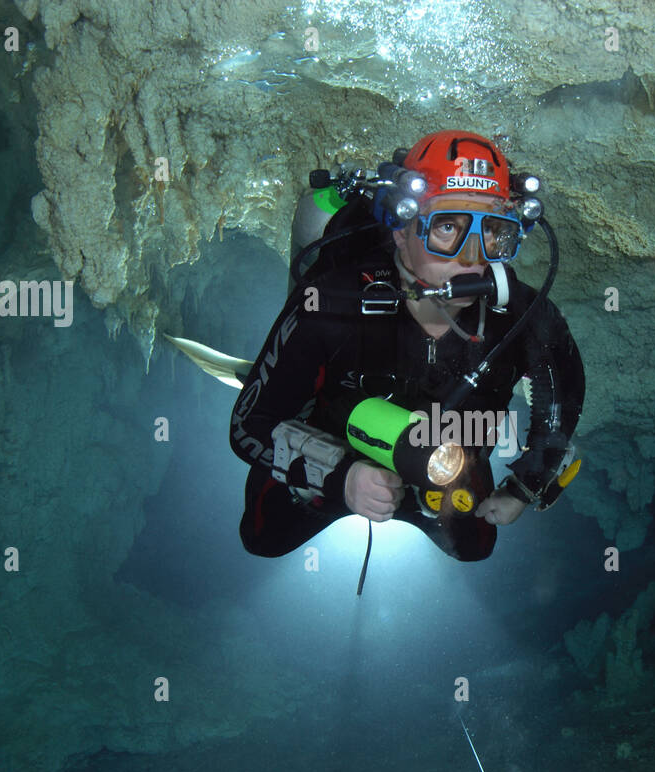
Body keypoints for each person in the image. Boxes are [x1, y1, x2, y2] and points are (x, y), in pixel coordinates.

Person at [230, 130, 584, 562]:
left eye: (493, 232)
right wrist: (340, 477)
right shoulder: (331, 303)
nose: (471, 257)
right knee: (263, 538)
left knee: (476, 547)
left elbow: (561, 401)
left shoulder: (528, 316)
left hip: (443, 468)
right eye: (447, 227)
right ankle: (280, 380)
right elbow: (249, 425)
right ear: (401, 231)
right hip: (336, 456)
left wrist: (525, 487)